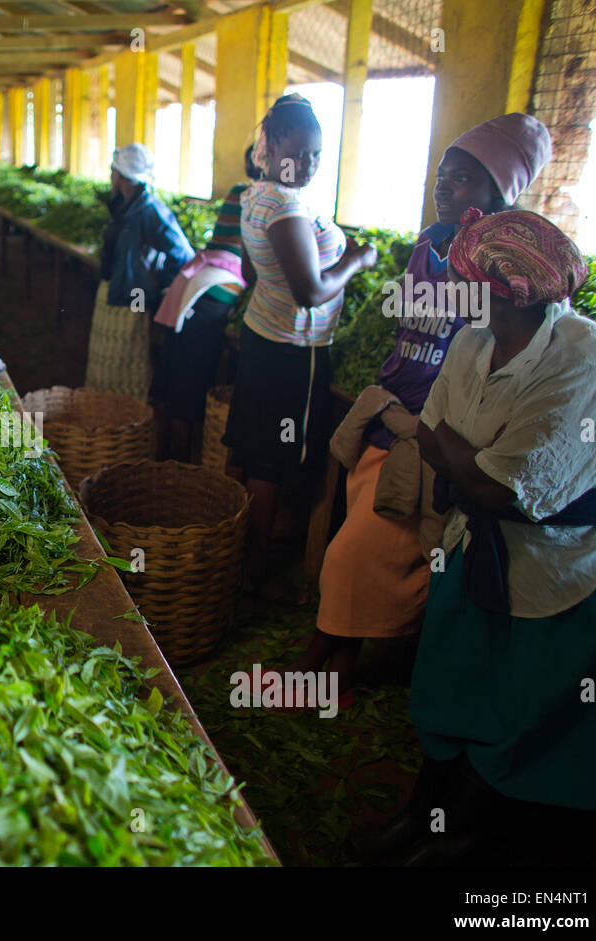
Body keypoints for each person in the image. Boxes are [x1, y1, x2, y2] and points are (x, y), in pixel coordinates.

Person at [354, 209, 596, 865]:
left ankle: (486, 845)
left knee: (532, 718)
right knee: (453, 693)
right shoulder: (472, 342)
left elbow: (505, 493)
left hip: (562, 572)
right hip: (475, 547)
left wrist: (465, 457)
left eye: (462, 282)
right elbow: (429, 437)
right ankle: (428, 826)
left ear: (502, 291)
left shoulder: (588, 362)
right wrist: (468, 459)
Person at [287, 113, 552, 698]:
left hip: (432, 432)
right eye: (442, 176)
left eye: (461, 180)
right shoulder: (423, 247)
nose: (443, 187)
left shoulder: (499, 274)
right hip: (389, 418)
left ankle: (328, 656)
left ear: (496, 198)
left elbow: (494, 360)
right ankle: (337, 657)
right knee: (357, 542)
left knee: (362, 551)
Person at [222, 93, 377, 602]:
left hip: (263, 335)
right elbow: (311, 292)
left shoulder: (255, 194)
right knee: (271, 463)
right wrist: (357, 259)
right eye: (298, 153)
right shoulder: (287, 206)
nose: (307, 164)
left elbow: (250, 272)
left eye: (316, 155)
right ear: (272, 145)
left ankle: (231, 554)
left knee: (249, 451)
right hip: (295, 348)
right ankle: (257, 575)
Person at [149, 146, 261, 461]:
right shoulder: (267, 201)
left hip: (191, 283)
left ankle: (158, 454)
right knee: (189, 381)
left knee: (170, 371)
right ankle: (178, 464)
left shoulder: (237, 191)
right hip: (215, 290)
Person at [84, 144, 194, 401]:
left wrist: (158, 283)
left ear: (123, 175)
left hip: (130, 300)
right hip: (112, 293)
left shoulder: (149, 210)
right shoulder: (124, 205)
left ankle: (128, 421)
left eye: (113, 170)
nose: (110, 175)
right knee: (105, 366)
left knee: (124, 368)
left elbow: (181, 251)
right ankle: (104, 415)